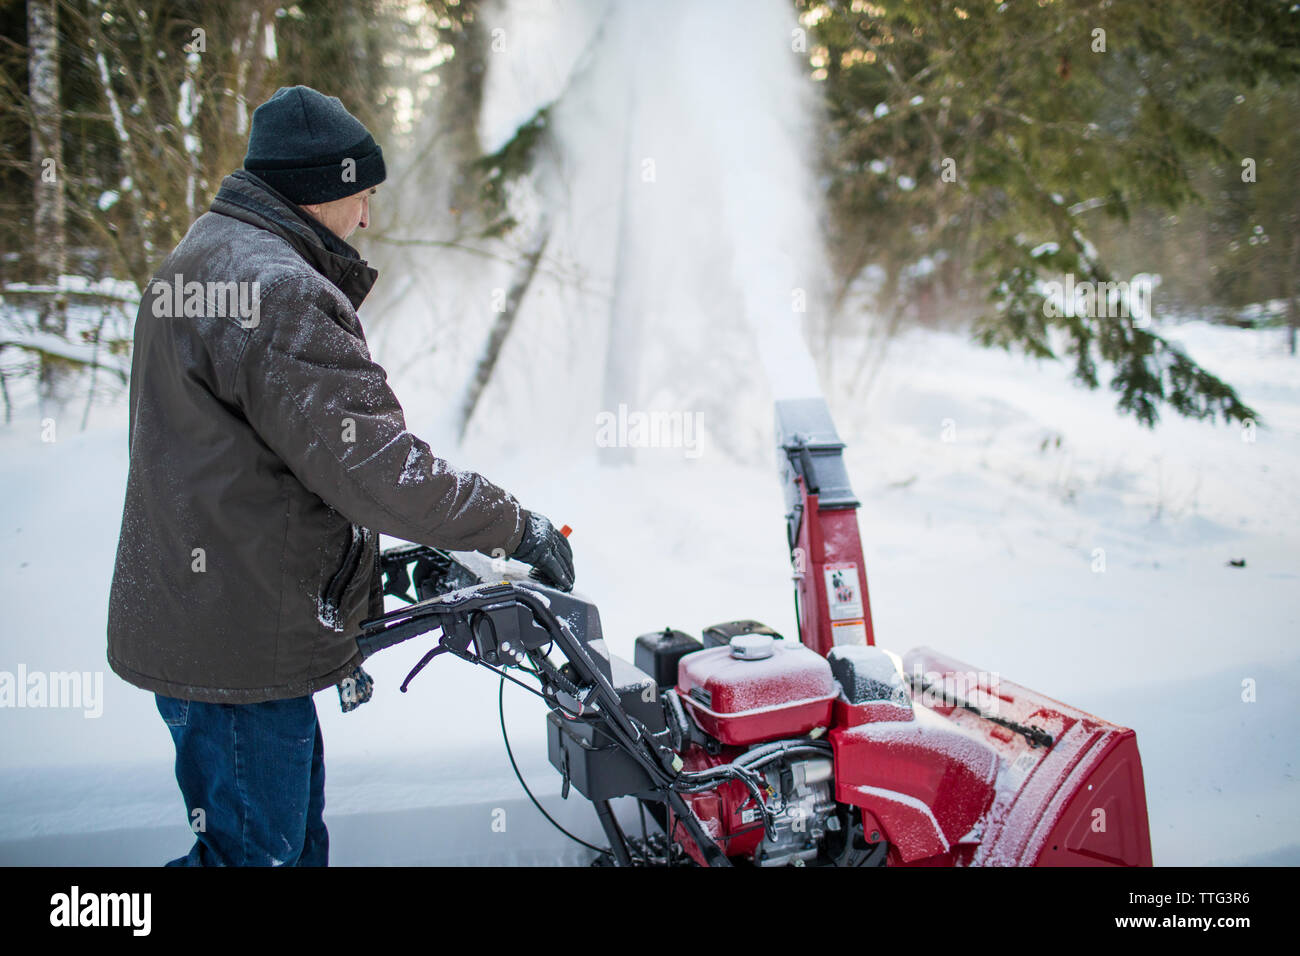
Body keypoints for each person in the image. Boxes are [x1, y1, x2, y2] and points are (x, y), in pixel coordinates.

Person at [106, 85, 574, 866]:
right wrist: (514, 524)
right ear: (321, 192)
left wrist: (370, 569)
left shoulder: (209, 254)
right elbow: (378, 471)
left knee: (286, 849)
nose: (366, 217)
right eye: (362, 195)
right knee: (255, 857)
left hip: (217, 623)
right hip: (236, 651)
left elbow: (254, 469)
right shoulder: (277, 291)